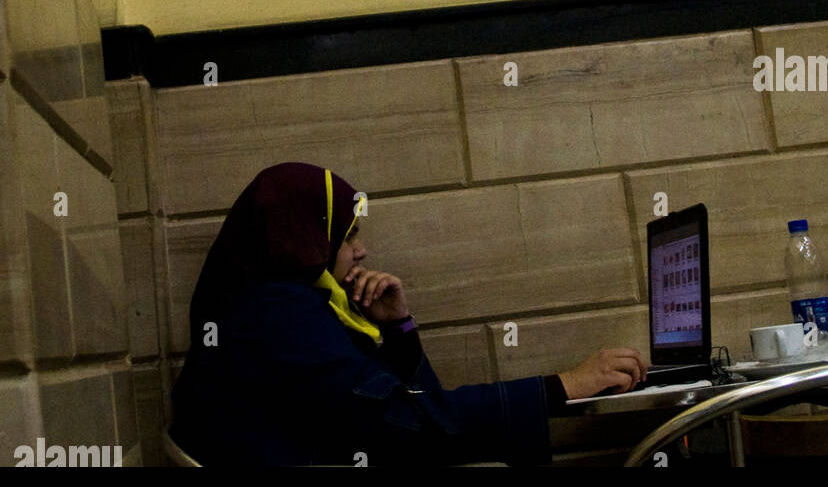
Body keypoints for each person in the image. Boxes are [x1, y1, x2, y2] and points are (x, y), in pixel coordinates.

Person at [169, 163, 647, 466]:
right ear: (304, 237)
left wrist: (397, 328)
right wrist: (562, 387)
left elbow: (412, 415)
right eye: (348, 235)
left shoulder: (275, 306)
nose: (361, 250)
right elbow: (410, 427)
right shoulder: (277, 315)